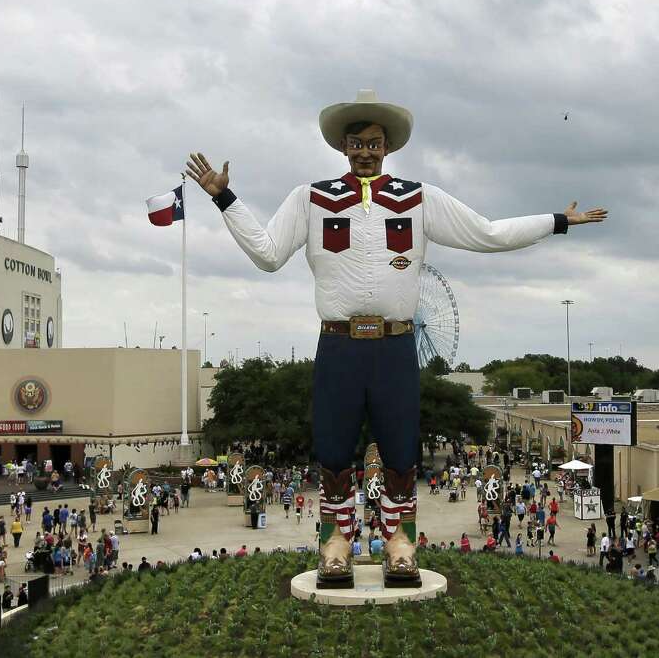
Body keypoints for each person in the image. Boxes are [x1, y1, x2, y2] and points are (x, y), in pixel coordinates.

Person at [186, 91, 607, 590]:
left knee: (402, 452)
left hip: (396, 344)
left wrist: (556, 222)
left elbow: (488, 233)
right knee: (335, 451)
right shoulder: (312, 198)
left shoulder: (419, 198)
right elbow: (268, 253)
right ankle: (336, 542)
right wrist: (224, 198)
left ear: (388, 147)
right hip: (339, 343)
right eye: (357, 143)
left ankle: (399, 542)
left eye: (375, 143)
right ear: (342, 146)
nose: (365, 151)